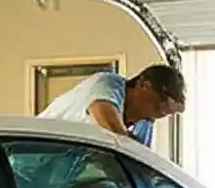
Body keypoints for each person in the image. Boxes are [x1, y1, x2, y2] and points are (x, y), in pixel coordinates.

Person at [37, 63, 186, 148]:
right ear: (143, 85)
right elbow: (109, 125)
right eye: (162, 101)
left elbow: (139, 163)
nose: (162, 111)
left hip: (52, 177)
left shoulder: (144, 122)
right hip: (24, 161)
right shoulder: (108, 84)